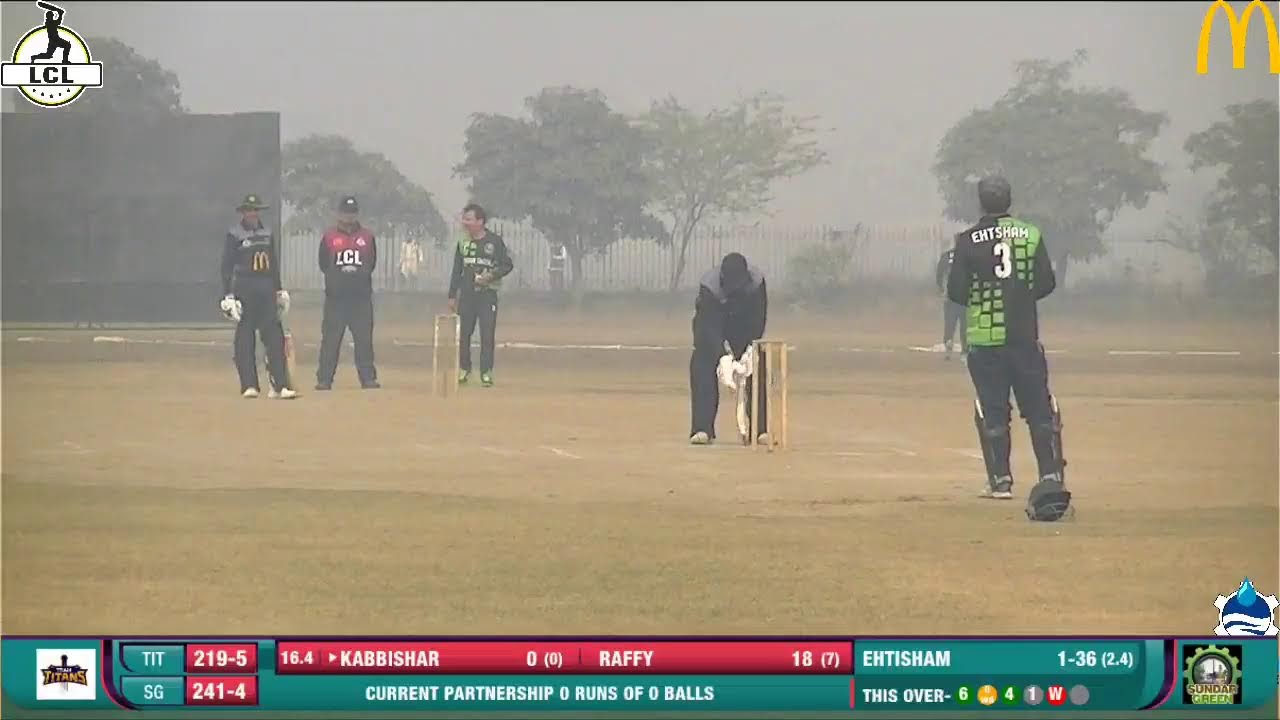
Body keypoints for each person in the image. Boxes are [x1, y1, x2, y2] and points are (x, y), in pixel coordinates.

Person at [946, 176, 1068, 513]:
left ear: (981, 202)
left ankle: (1000, 480)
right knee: (1040, 408)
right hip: (1024, 334)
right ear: (1010, 201)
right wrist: (1019, 298)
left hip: (985, 338)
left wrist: (984, 299)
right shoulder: (1030, 234)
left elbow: (956, 292)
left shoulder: (967, 241)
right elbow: (1046, 282)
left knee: (992, 408)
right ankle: (1050, 474)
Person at [220, 193, 297, 399]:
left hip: (266, 286)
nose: (252, 214)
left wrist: (279, 290)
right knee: (245, 338)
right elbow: (227, 266)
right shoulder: (234, 234)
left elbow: (273, 263)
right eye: (249, 210)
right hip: (245, 287)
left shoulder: (267, 232)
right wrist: (228, 295)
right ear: (243, 212)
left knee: (274, 337)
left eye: (255, 210)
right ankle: (249, 384)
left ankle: (280, 385)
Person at [689, 252, 768, 445]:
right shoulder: (710, 287)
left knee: (758, 364)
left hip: (743, 325)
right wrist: (723, 356)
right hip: (713, 325)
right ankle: (702, 428)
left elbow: (759, 318)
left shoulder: (756, 283)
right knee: (701, 363)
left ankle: (759, 430)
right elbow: (708, 327)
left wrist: (751, 348)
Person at [315, 196, 380, 390]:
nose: (348, 217)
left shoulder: (367, 237)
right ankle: (324, 379)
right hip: (336, 299)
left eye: (352, 214)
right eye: (345, 213)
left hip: (360, 299)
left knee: (364, 339)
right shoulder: (329, 237)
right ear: (338, 214)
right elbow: (323, 263)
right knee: (331, 340)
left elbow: (371, 262)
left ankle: (368, 377)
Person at [447, 203, 514, 387]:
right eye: (464, 219)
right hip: (467, 296)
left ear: (480, 221)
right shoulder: (462, 242)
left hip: (487, 295)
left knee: (487, 334)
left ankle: (486, 372)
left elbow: (507, 265)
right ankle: (464, 369)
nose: (465, 222)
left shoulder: (494, 242)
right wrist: (452, 295)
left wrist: (491, 276)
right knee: (464, 335)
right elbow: (457, 269)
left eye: (469, 219)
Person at [935, 241, 968, 360]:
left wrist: (940, 289)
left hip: (950, 296)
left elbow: (939, 274)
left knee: (949, 323)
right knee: (965, 324)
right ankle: (964, 352)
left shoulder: (946, 256)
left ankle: (948, 346)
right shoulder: (968, 256)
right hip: (965, 297)